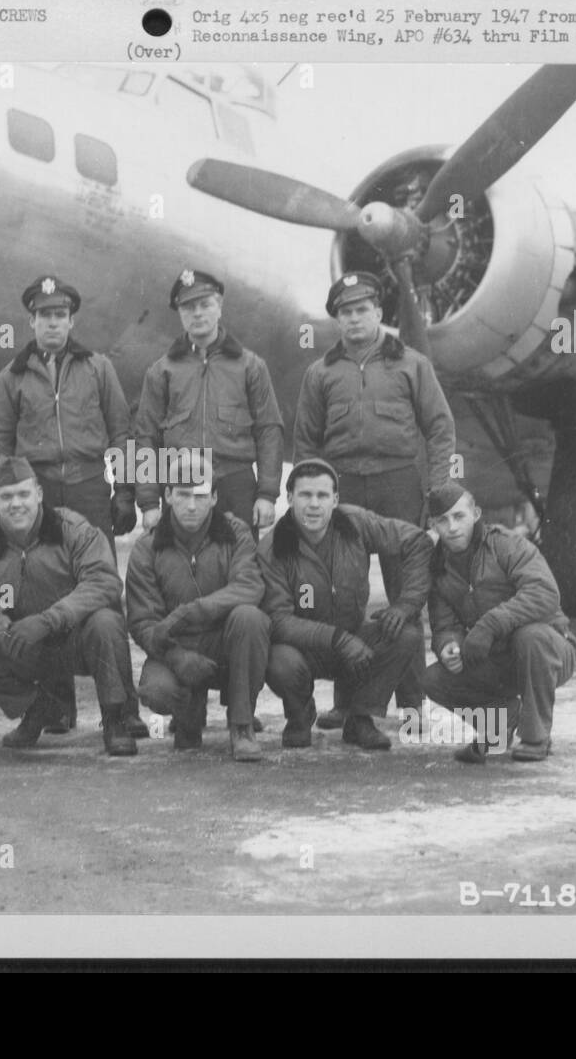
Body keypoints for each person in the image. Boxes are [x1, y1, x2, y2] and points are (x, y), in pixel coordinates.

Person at [293, 271, 455, 727]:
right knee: (342, 596)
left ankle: (413, 704)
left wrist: (437, 489)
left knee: (406, 594)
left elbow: (440, 428)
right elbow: (306, 443)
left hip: (397, 485)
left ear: (379, 313)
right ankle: (350, 702)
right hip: (343, 490)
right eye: (345, 312)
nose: (354, 319)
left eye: (362, 309)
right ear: (336, 320)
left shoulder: (412, 364)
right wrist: (312, 502)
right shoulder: (320, 373)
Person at [0, 275, 138, 733]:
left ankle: (123, 708)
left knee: (104, 593)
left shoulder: (98, 368)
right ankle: (59, 705)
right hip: (40, 493)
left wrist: (125, 490)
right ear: (30, 321)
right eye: (44, 316)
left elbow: (120, 432)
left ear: (71, 320)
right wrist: (1, 502)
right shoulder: (11, 377)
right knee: (43, 594)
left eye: (60, 316)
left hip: (90, 485)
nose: (52, 323)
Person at [0, 456, 141, 756]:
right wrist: (1, 638)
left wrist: (49, 620)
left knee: (106, 622)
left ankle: (114, 718)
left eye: (24, 494)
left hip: (77, 639)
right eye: (6, 496)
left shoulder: (72, 529)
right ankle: (39, 707)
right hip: (27, 644)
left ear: (39, 495)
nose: (16, 504)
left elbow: (104, 582)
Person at [258, 459, 432, 751]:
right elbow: (278, 620)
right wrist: (338, 640)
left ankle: (360, 718)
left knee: (407, 633)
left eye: (322, 496)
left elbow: (417, 541)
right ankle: (299, 716)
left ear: (335, 500)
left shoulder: (355, 522)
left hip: (355, 643)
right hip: (305, 649)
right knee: (278, 659)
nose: (314, 504)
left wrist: (405, 605)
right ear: (289, 498)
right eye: (305, 495)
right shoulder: (273, 547)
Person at [125, 452, 270, 761]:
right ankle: (189, 716)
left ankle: (242, 725)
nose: (192, 505)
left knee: (250, 618)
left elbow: (250, 586)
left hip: (226, 645)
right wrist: (177, 658)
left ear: (215, 497)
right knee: (156, 691)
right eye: (183, 495)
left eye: (201, 496)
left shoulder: (236, 533)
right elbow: (142, 622)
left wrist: (192, 611)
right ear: (167, 496)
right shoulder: (146, 548)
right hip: (175, 646)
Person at [421, 482, 576, 764]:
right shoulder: (438, 569)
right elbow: (444, 625)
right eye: (443, 521)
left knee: (530, 637)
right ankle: (500, 722)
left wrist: (490, 625)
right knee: (433, 679)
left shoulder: (506, 544)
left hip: (551, 647)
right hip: (498, 657)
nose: (453, 527)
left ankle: (535, 737)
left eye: (459, 516)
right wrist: (449, 646)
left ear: (476, 514)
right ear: (433, 525)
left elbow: (544, 593)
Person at [134, 268, 284, 537]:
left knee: (241, 569)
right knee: (180, 573)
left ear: (220, 307)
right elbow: (145, 437)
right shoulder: (160, 371)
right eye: (189, 307)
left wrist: (267, 494)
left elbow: (269, 430)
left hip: (235, 484)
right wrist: (148, 503)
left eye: (205, 304)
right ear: (180, 313)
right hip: (181, 484)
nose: (198, 313)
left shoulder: (251, 366)